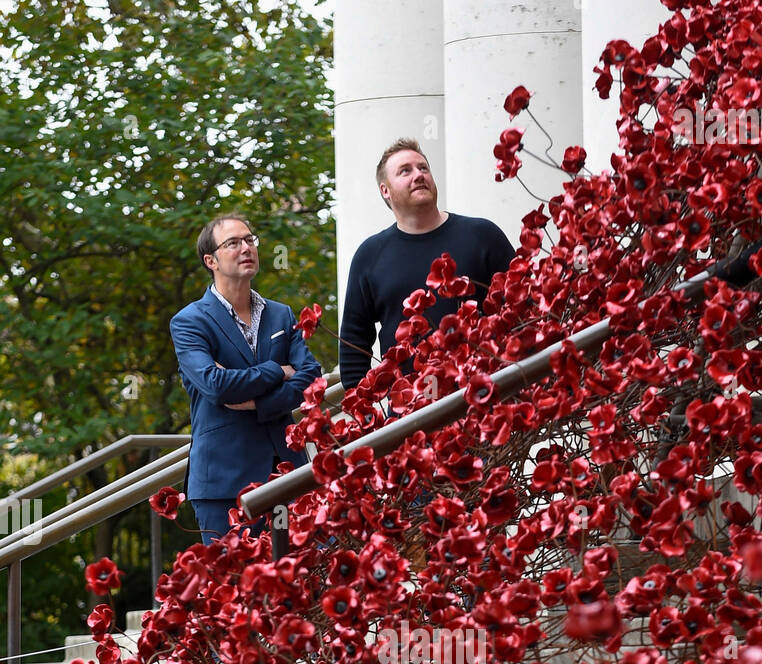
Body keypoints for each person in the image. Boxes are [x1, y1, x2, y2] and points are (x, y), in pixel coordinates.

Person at [170, 213, 322, 543]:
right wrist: (277, 371)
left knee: (301, 585)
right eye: (233, 243)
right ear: (210, 260)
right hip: (224, 484)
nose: (246, 248)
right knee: (235, 591)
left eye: (250, 240)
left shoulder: (281, 313)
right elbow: (215, 385)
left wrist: (256, 401)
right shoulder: (189, 322)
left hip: (288, 472)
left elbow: (311, 376)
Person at [338, 139, 515, 391]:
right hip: (409, 416)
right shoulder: (369, 256)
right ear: (385, 190)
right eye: (405, 171)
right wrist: (366, 414)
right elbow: (353, 346)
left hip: (486, 400)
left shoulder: (482, 235)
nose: (419, 175)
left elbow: (522, 307)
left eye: (423, 168)